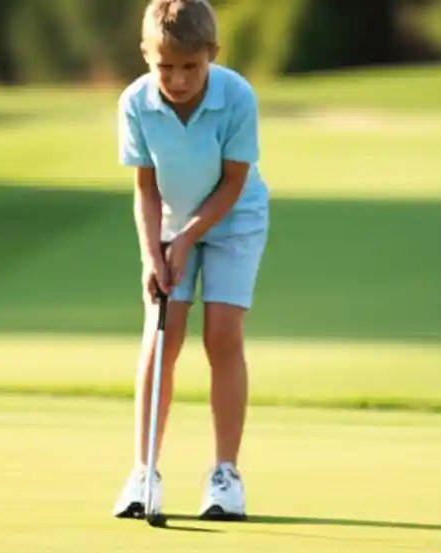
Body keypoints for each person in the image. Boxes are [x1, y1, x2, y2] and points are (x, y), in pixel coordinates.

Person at [111, 0, 270, 521]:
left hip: (233, 220)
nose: (177, 79)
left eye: (190, 67)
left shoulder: (237, 96)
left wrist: (184, 241)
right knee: (162, 336)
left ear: (212, 55)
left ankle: (226, 474)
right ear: (145, 55)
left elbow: (233, 183)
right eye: (164, 67)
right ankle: (143, 472)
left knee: (222, 335)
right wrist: (151, 251)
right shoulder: (135, 102)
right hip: (169, 222)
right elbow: (145, 187)